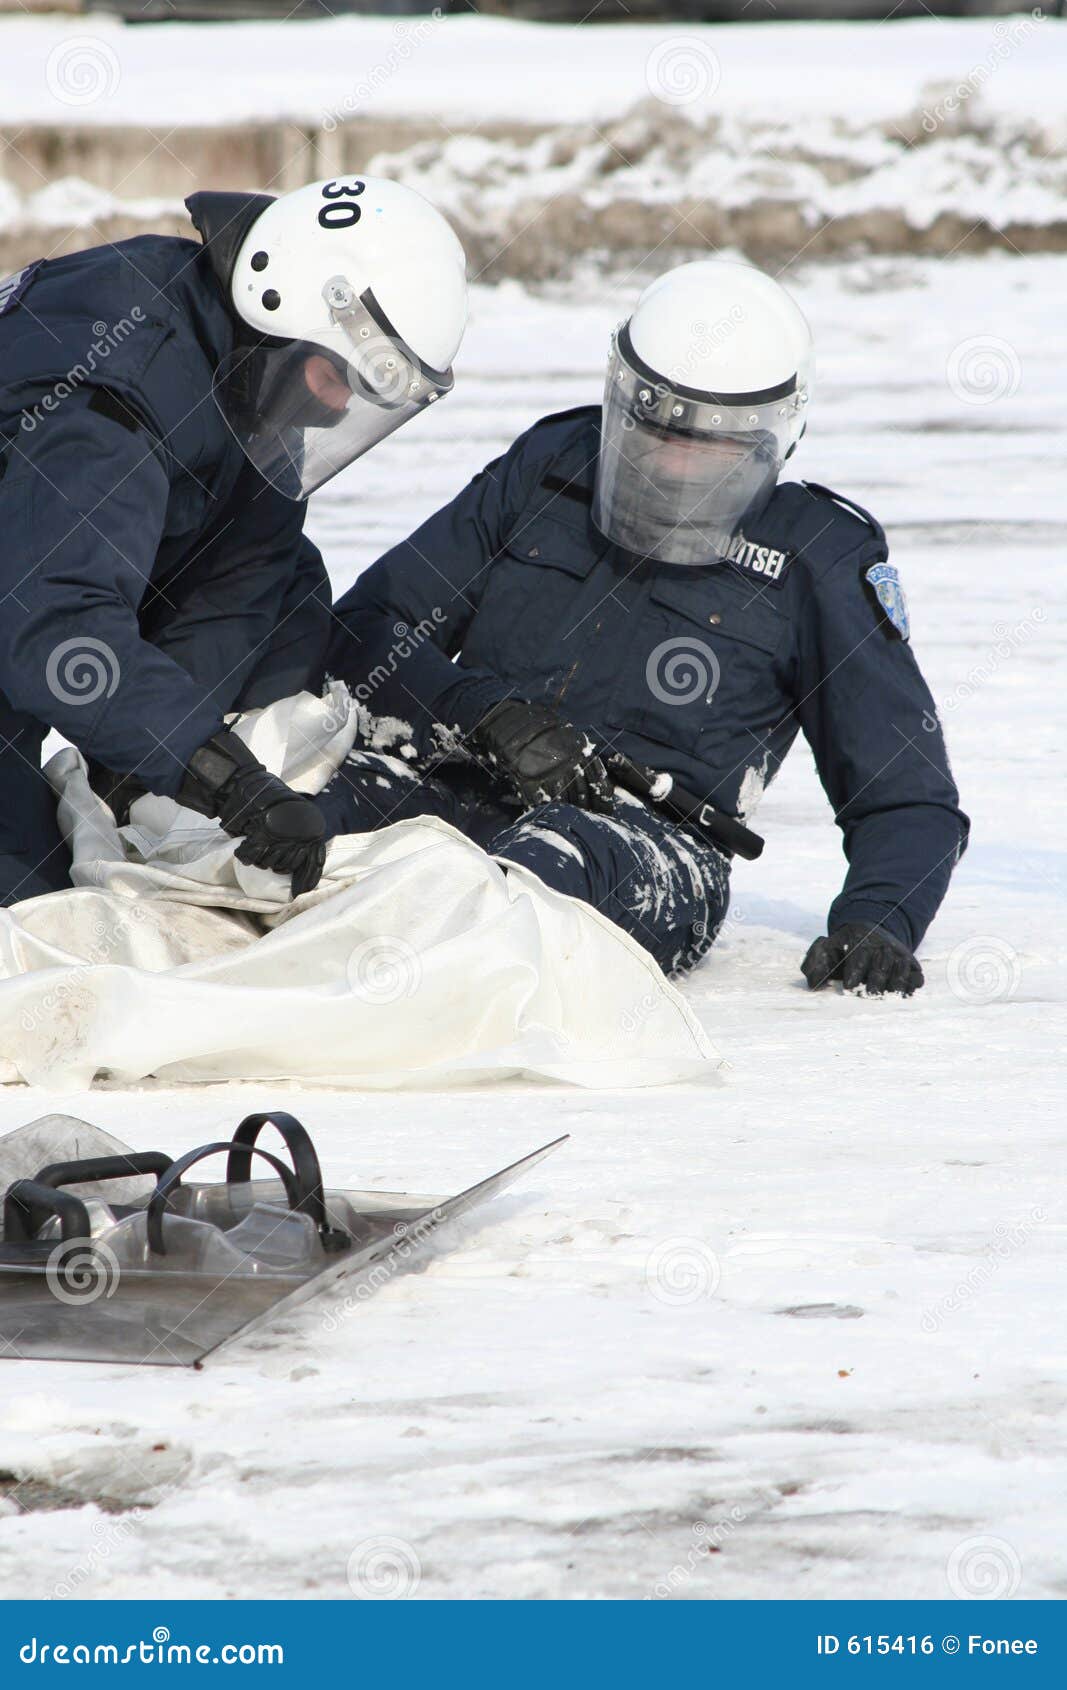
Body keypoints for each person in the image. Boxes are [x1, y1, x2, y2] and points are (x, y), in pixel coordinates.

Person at [320, 258, 968, 993]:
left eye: (712, 443)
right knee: (303, 818)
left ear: (773, 435)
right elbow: (366, 627)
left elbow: (904, 789)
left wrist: (879, 920)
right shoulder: (548, 468)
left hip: (646, 842)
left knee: (535, 874)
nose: (677, 460)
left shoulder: (817, 557)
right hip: (460, 775)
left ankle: (397, 1000)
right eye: (658, 430)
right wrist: (482, 714)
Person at [0, 175, 467, 906]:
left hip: (34, 589)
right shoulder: (115, 391)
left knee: (291, 581)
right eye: (335, 375)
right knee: (27, 910)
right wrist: (222, 777)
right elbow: (56, 631)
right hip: (29, 612)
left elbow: (247, 567)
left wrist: (150, 776)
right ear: (279, 305)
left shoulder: (248, 367)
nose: (339, 403)